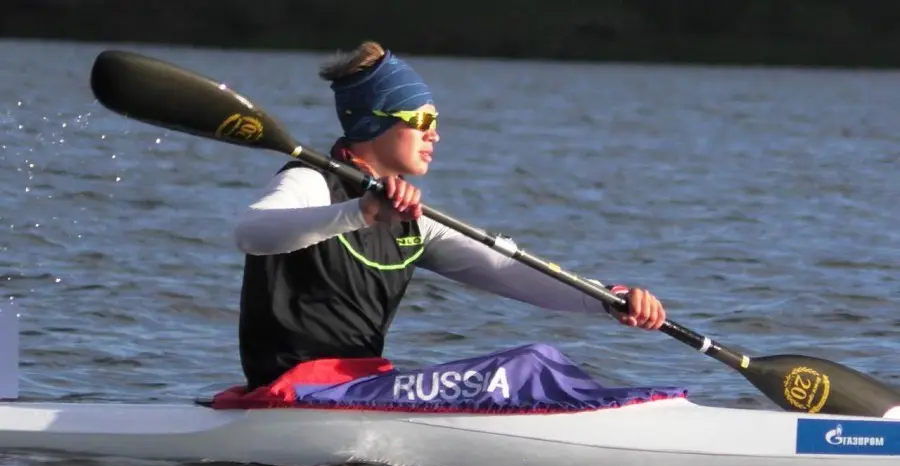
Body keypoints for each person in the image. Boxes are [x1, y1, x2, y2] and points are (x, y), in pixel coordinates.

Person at [232, 40, 668, 391]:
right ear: (373, 123)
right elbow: (253, 234)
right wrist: (360, 212)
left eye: (435, 119)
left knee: (541, 363)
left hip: (359, 386)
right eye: (420, 118)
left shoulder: (411, 218)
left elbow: (506, 268)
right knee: (530, 368)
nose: (434, 132)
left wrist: (606, 299)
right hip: (294, 388)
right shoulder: (310, 182)